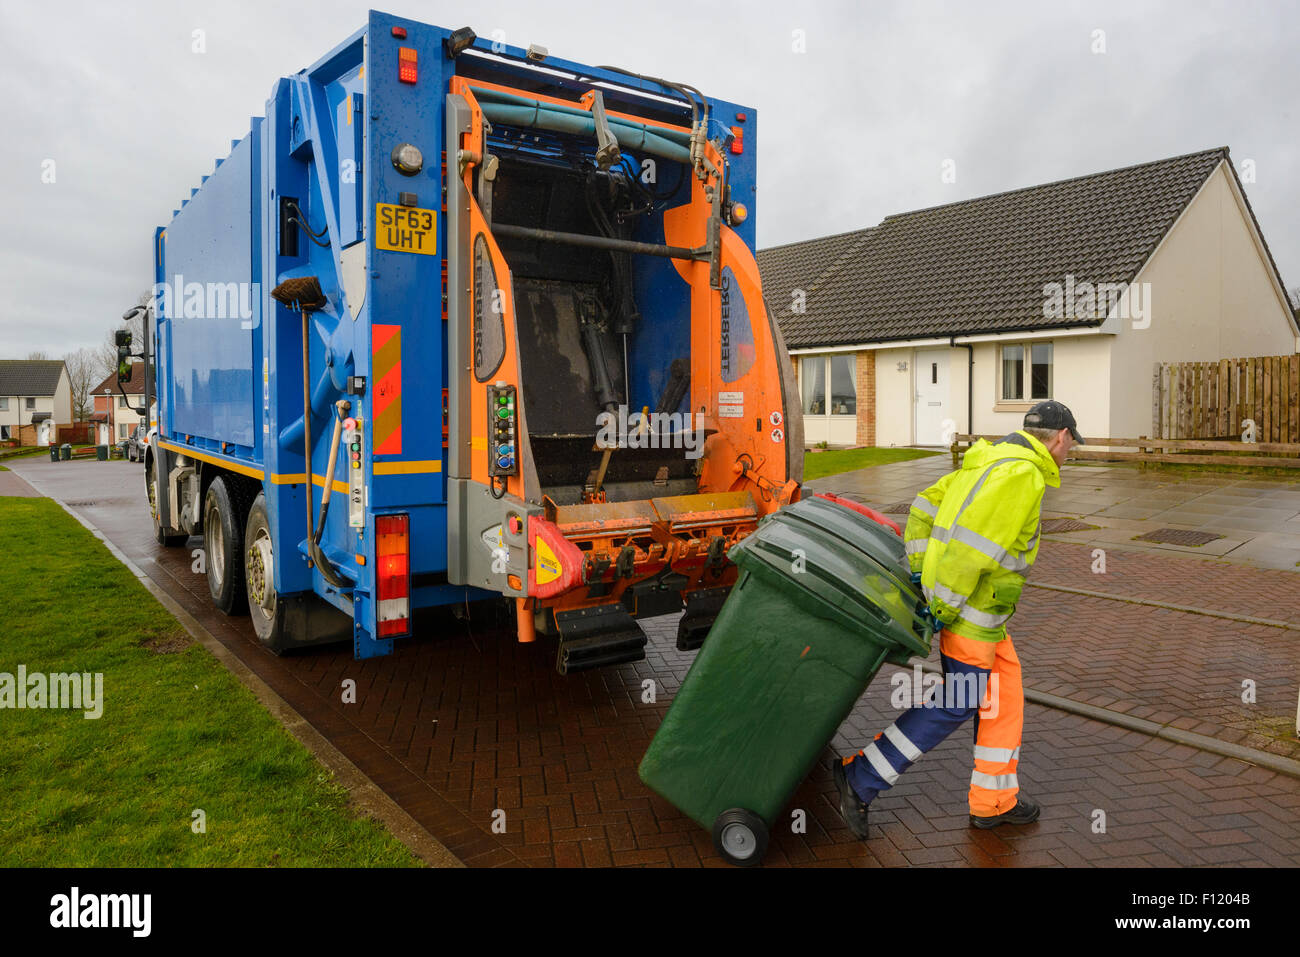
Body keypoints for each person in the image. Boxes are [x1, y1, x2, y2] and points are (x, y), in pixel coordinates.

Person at [833, 400, 1084, 834]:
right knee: (958, 702)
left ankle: (993, 801)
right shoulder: (1023, 474)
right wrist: (942, 605)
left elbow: (923, 507)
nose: (1069, 454)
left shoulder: (986, 459)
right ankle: (861, 777)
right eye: (1071, 445)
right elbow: (973, 549)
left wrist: (919, 571)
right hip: (971, 617)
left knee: (1003, 696)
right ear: (1061, 437)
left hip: (983, 618)